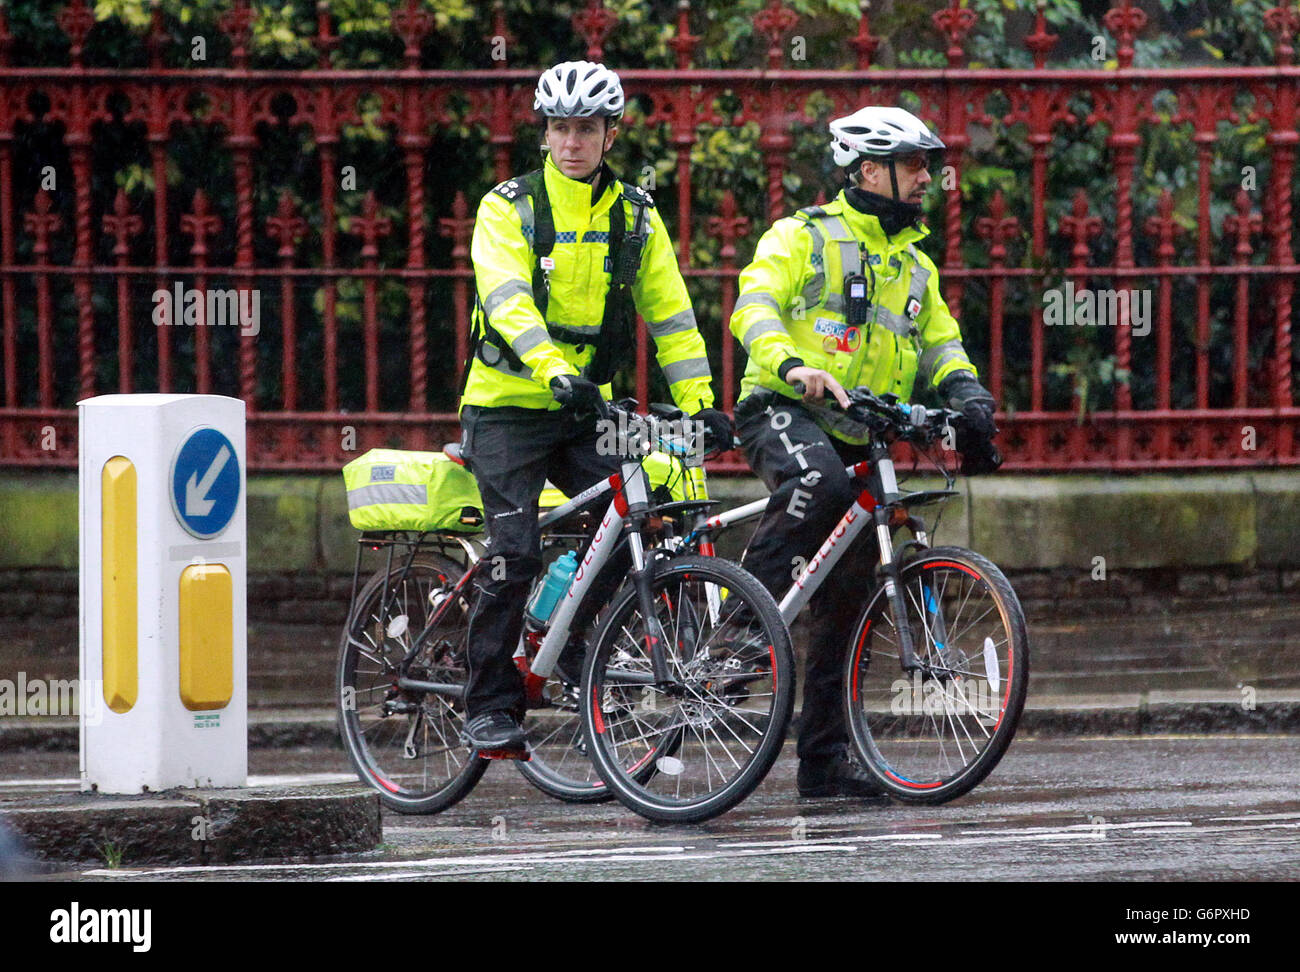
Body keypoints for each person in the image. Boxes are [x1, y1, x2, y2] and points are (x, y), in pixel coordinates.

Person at [458, 60, 732, 754]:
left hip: (585, 409)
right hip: (506, 409)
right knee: (513, 552)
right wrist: (553, 371)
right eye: (558, 128)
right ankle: (487, 703)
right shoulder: (508, 207)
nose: (570, 142)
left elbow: (672, 319)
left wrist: (701, 407)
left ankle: (574, 645)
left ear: (611, 134)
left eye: (585, 129)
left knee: (637, 517)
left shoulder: (636, 215)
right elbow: (507, 301)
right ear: (544, 132)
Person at [728, 105, 1003, 797]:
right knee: (814, 481)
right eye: (914, 164)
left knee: (847, 605)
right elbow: (752, 304)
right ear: (869, 168)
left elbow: (942, 343)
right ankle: (736, 625)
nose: (925, 178)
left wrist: (971, 402)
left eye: (927, 166)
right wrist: (792, 365)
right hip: (783, 409)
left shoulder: (914, 264)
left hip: (862, 433)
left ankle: (823, 763)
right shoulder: (805, 236)